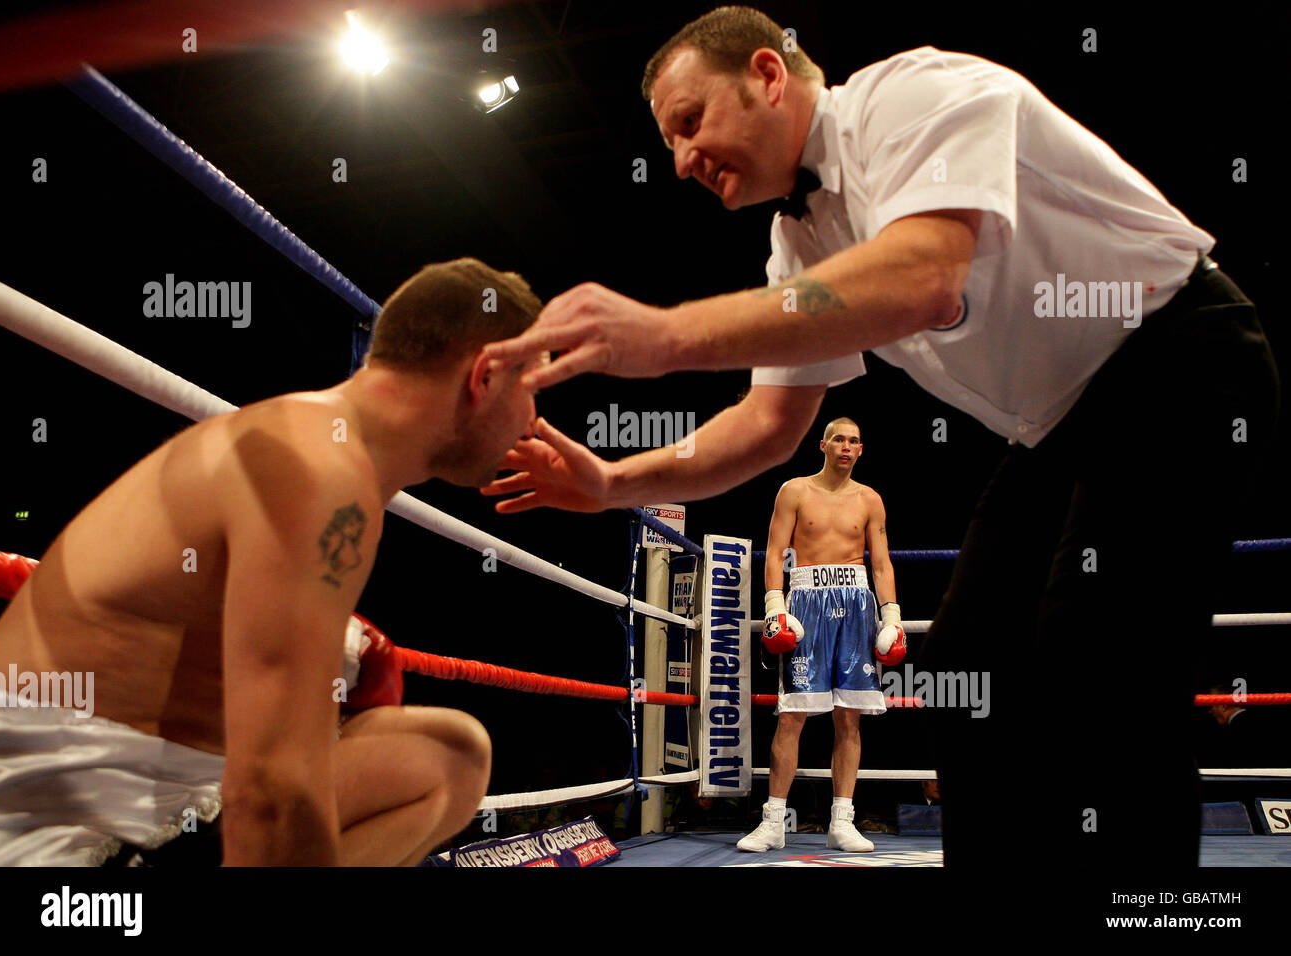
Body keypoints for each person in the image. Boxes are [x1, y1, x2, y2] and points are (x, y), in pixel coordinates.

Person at [480, 7, 1280, 870]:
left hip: (1179, 361)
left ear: (767, 74)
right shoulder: (799, 240)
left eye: (690, 122)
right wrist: (609, 483)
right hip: (1061, 425)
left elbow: (923, 278)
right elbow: (766, 427)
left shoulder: (909, 98)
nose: (680, 161)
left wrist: (668, 336)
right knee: (967, 671)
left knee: (1103, 677)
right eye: (668, 142)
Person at [0, 257, 546, 865]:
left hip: (159, 791)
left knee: (449, 755)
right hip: (43, 825)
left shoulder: (327, 451)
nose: (534, 421)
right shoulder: (316, 470)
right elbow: (272, 792)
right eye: (535, 391)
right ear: (484, 377)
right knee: (292, 796)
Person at [738, 416, 904, 852]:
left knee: (848, 715)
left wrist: (892, 617)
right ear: (823, 445)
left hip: (856, 604)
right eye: (839, 440)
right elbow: (774, 552)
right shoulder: (794, 490)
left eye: (854, 441)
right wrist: (775, 609)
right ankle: (773, 822)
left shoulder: (870, 499)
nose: (846, 447)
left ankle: (842, 822)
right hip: (806, 603)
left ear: (861, 449)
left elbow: (881, 563)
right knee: (792, 714)